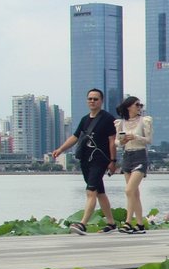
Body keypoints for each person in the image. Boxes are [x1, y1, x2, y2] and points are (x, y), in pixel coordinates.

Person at [49, 88, 118, 234]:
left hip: (100, 160)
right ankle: (111, 224)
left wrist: (113, 161)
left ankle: (83, 224)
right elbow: (75, 137)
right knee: (99, 192)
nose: (92, 101)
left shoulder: (108, 119)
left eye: (95, 99)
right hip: (85, 160)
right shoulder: (84, 119)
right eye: (90, 99)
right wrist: (61, 149)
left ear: (101, 101)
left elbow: (112, 141)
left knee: (90, 191)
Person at [114, 96, 153, 233]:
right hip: (127, 156)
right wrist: (122, 141)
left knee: (129, 190)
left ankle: (128, 222)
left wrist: (136, 137)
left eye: (140, 105)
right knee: (134, 193)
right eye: (137, 105)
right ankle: (140, 224)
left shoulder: (145, 121)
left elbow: (149, 140)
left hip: (140, 156)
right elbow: (116, 143)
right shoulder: (121, 123)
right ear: (129, 106)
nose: (139, 107)